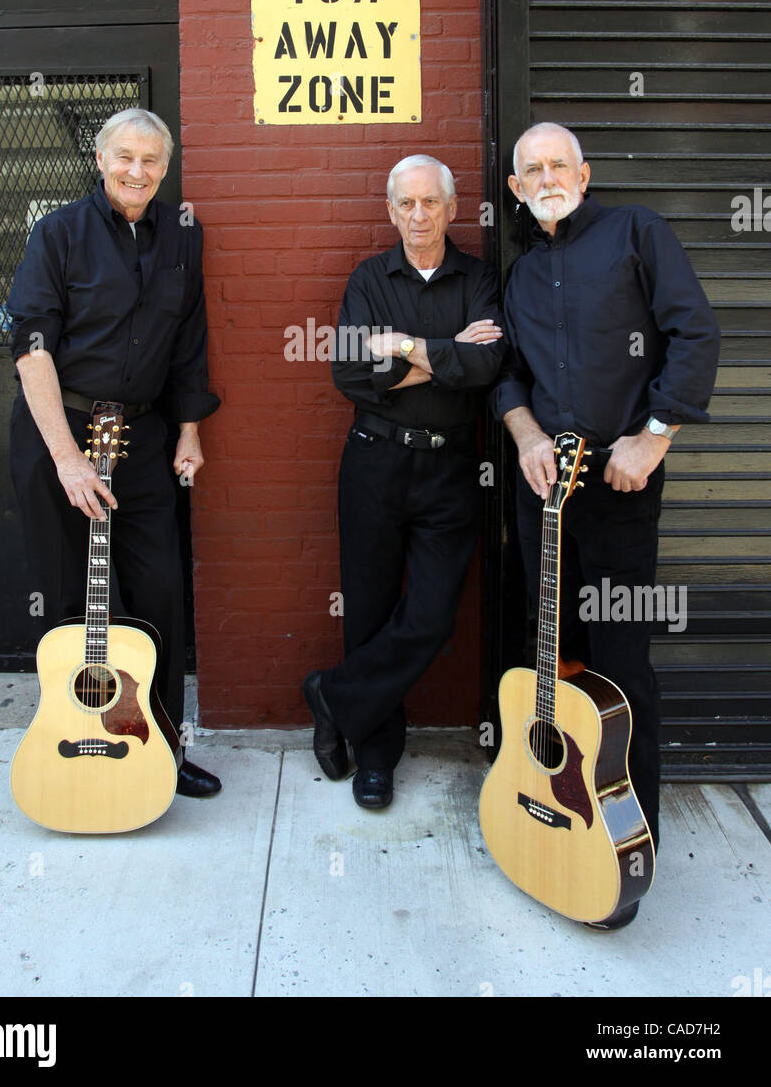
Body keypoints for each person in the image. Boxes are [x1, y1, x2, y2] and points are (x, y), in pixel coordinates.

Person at [491, 121, 720, 926]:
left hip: (618, 485)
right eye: (531, 169)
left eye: (559, 163)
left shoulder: (636, 233)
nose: (547, 175)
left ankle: (626, 838)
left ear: (582, 172)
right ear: (516, 189)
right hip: (540, 485)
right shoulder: (517, 275)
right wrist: (522, 436)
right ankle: (545, 810)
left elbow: (695, 332)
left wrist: (653, 438)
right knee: (545, 651)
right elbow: (506, 374)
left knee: (621, 661)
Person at [7, 107, 221, 799]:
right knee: (69, 598)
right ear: (100, 161)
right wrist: (67, 458)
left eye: (151, 160)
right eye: (124, 157)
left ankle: (161, 743)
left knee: (159, 591)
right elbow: (31, 350)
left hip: (142, 438)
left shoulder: (184, 236)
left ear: (165, 165)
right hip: (60, 436)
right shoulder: (58, 233)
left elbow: (191, 343)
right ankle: (72, 741)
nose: (137, 171)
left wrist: (189, 432)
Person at [303, 154, 504, 809]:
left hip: (452, 468)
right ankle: (376, 756)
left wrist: (405, 348)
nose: (418, 215)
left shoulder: (477, 278)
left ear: (451, 208)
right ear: (391, 211)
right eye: (406, 204)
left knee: (432, 616)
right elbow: (349, 375)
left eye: (430, 203)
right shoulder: (368, 279)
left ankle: (333, 696)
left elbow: (490, 362)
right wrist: (446, 351)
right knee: (367, 610)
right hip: (374, 462)